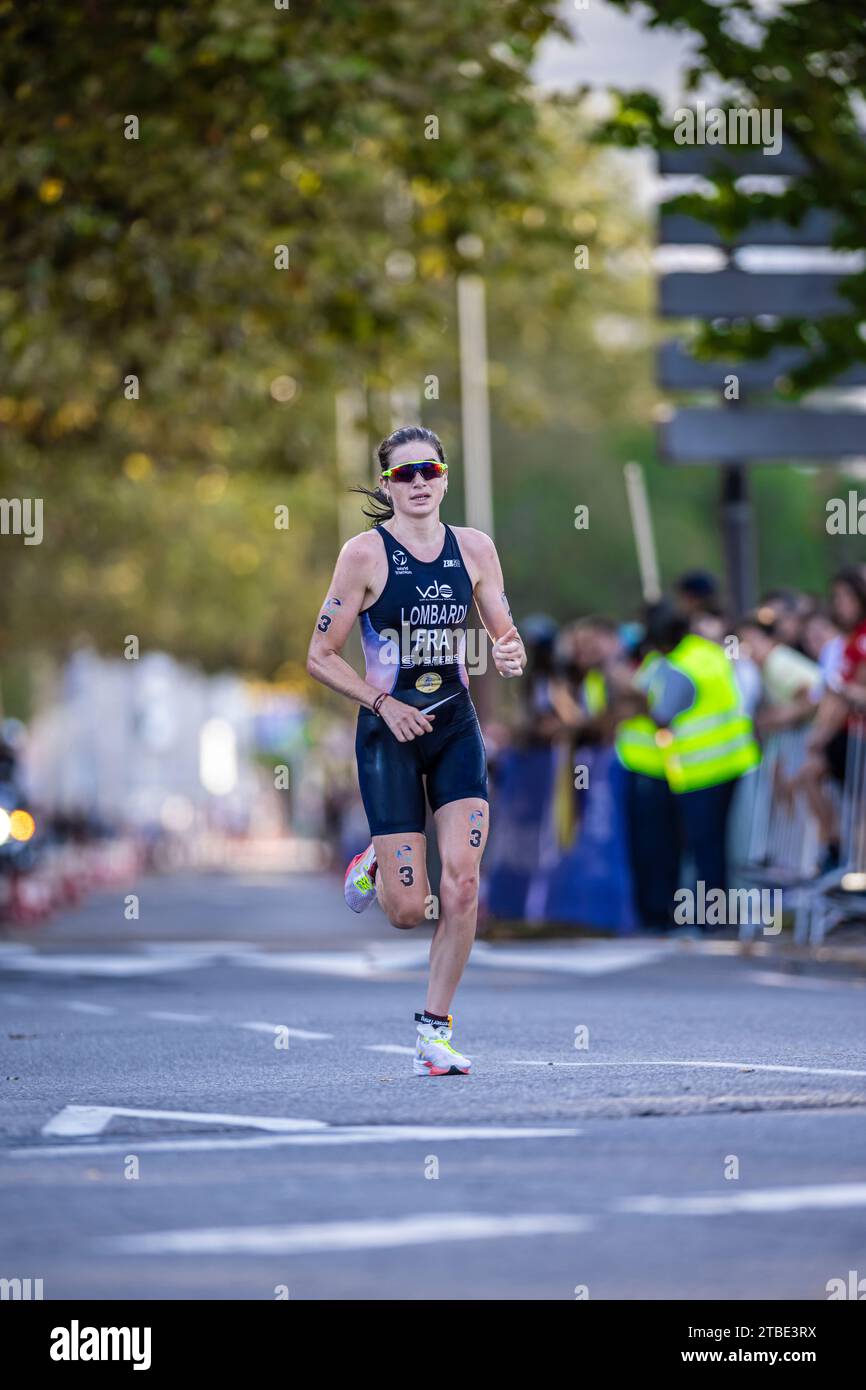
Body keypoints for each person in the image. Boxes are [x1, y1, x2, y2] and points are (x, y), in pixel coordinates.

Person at [306, 425, 526, 1076]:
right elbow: (318, 657)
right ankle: (377, 859)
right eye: (406, 475)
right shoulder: (364, 556)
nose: (420, 483)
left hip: (454, 727)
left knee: (461, 886)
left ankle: (435, 1030)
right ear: (387, 487)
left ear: (446, 477)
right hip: (388, 732)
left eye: (429, 470)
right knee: (408, 912)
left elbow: (503, 630)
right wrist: (382, 704)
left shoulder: (476, 549)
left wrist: (511, 651)